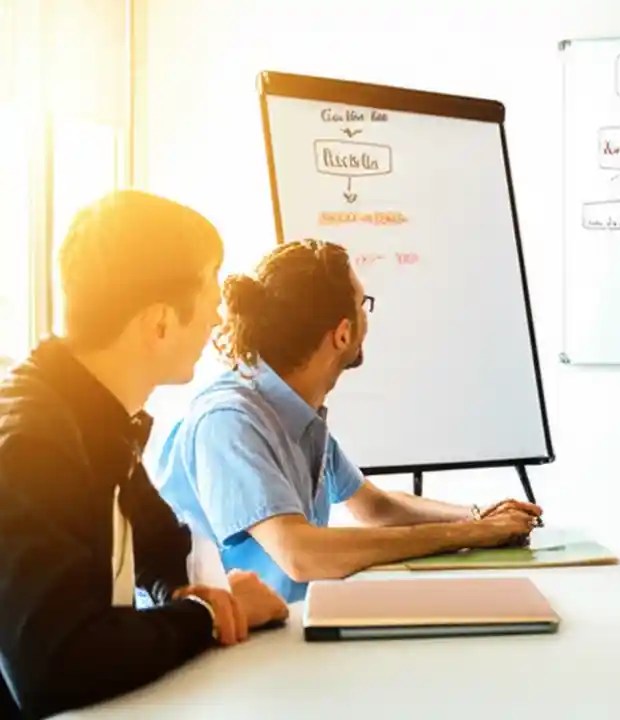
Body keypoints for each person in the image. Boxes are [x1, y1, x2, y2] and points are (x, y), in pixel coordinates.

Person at [0, 191, 288, 719]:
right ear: (158, 323)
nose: (219, 318)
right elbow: (55, 663)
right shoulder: (34, 441)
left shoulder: (92, 411)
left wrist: (187, 588)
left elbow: (160, 545)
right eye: (209, 294)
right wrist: (205, 615)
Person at [153, 239, 542, 604]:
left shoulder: (297, 412)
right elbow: (299, 554)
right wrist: (469, 534)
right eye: (362, 305)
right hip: (219, 659)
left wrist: (479, 515)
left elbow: (376, 507)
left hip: (281, 637)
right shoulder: (230, 421)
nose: (365, 319)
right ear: (342, 334)